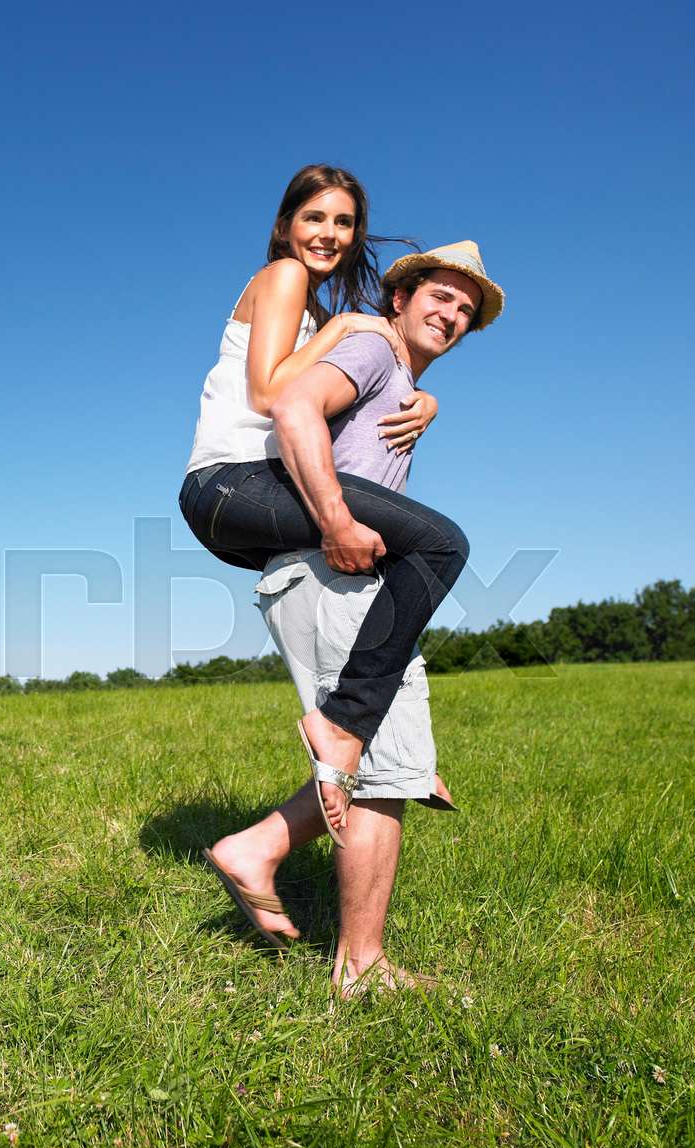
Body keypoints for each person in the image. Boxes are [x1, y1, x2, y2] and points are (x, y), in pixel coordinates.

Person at [195, 241, 505, 996]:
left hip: (333, 572)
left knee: (383, 766)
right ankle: (360, 968)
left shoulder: (395, 377)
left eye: (466, 309)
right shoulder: (371, 347)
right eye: (440, 296)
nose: (453, 314)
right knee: (377, 763)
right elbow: (295, 403)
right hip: (328, 570)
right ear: (400, 299)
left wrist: (425, 401)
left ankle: (259, 847)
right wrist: (334, 518)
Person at [181, 174, 490, 839]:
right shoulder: (287, 276)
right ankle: (347, 723)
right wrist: (351, 324)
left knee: (400, 561)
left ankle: (380, 738)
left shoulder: (318, 314)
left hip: (249, 494)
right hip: (230, 480)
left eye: (344, 223)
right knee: (441, 544)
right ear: (285, 224)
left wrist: (424, 397)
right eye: (314, 217)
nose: (328, 234)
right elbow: (271, 395)